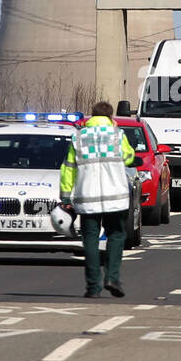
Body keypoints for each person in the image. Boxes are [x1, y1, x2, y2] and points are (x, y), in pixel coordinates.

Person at [59, 101, 136, 298]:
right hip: (115, 198)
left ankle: (93, 287)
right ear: (111, 117)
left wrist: (65, 196)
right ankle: (112, 277)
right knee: (116, 235)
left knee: (91, 240)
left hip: (88, 197)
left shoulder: (78, 138)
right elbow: (128, 158)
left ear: (91, 117)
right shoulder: (117, 135)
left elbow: (68, 168)